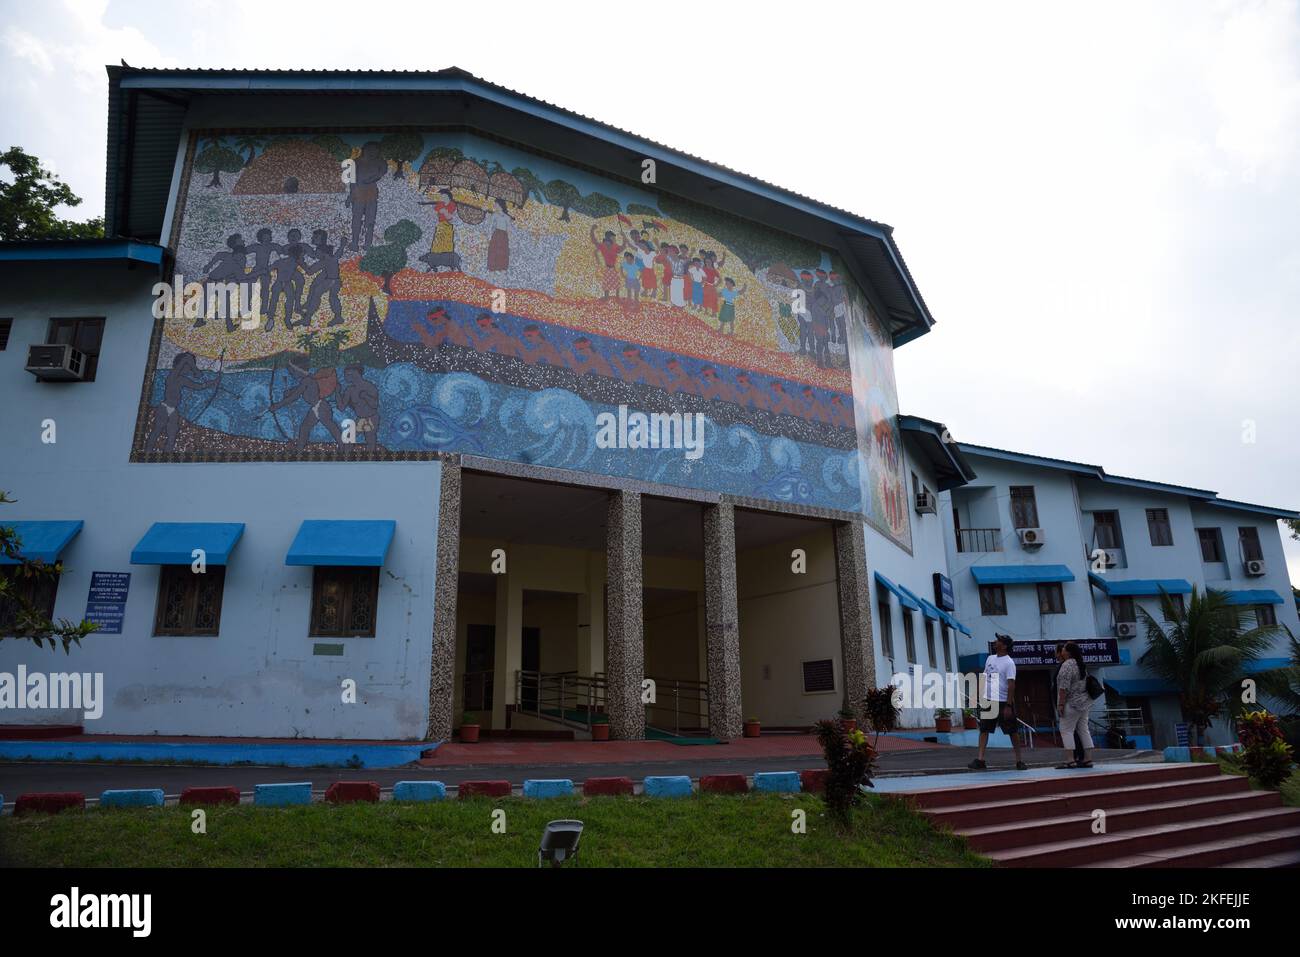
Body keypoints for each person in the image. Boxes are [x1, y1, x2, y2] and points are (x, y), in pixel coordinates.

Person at [969, 633, 1027, 770]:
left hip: (1002, 701)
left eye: (999, 640)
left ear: (1005, 646)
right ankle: (980, 759)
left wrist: (1008, 705)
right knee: (984, 730)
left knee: (1012, 731)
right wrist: (976, 695)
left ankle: (1019, 761)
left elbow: (1011, 684)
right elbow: (984, 677)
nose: (996, 642)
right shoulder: (990, 658)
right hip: (988, 700)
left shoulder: (1009, 662)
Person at [1055, 641, 1095, 768]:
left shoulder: (1067, 665)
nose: (1062, 650)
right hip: (1084, 702)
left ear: (1068, 652)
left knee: (1066, 730)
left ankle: (1070, 759)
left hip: (1071, 703)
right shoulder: (1080, 664)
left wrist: (1060, 704)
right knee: (1084, 729)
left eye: (1064, 649)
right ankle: (1088, 759)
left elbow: (1063, 687)